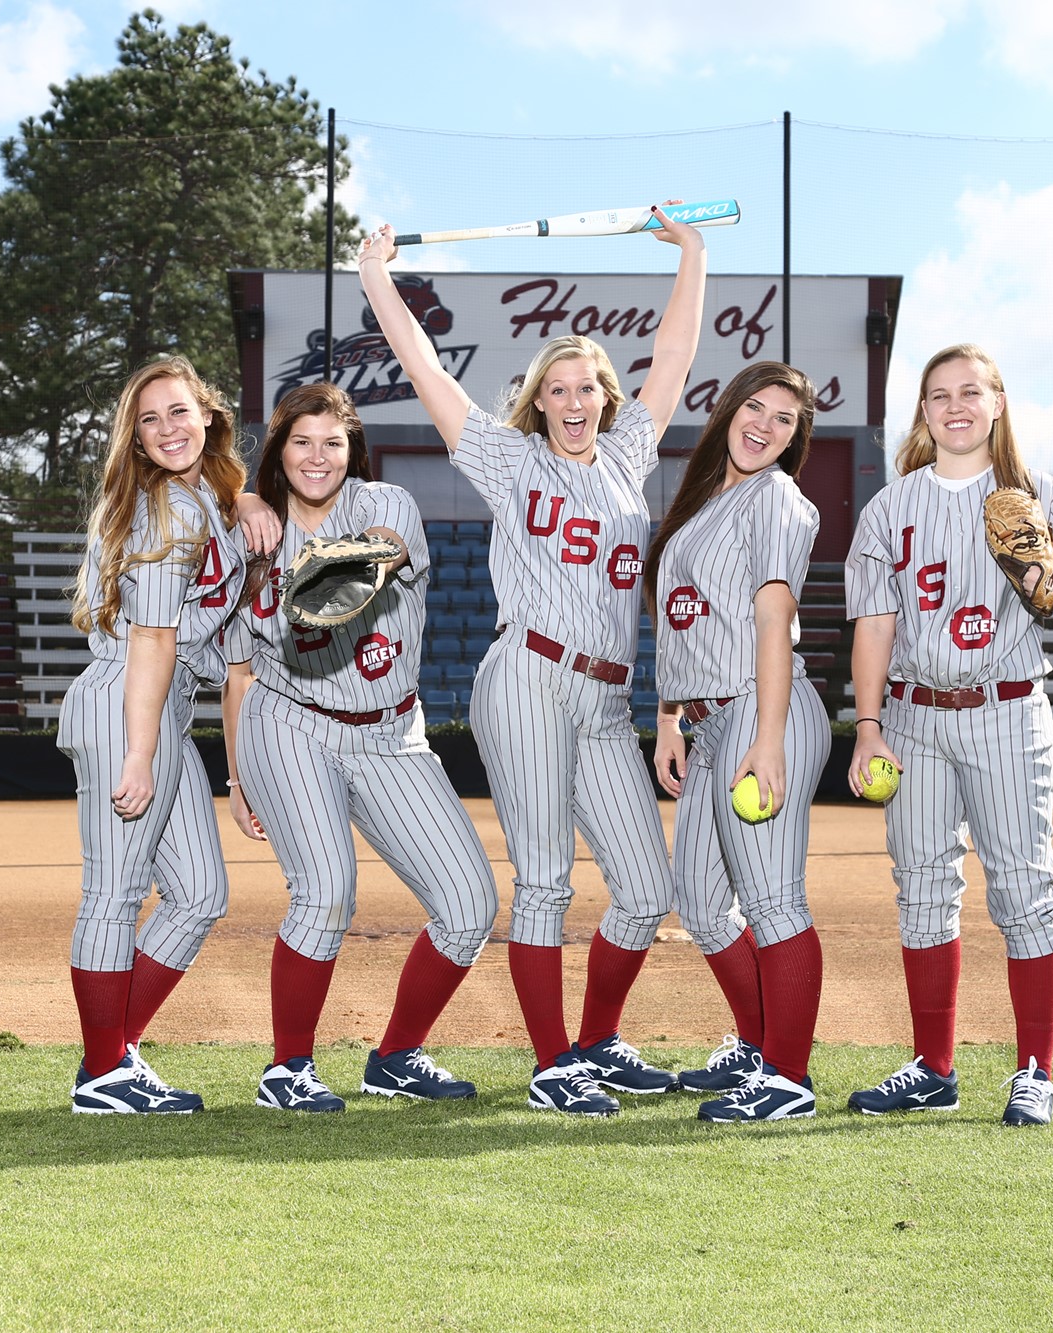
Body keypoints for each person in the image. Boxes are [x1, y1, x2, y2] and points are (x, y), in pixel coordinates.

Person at [355, 205, 707, 1116]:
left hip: (605, 698)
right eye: (558, 389)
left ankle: (596, 1042)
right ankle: (555, 1065)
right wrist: (376, 277)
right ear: (539, 400)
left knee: (647, 886)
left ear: (605, 396)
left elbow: (673, 356)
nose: (575, 401)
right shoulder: (509, 460)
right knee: (545, 877)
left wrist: (692, 254)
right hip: (528, 678)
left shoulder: (628, 456)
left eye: (587, 386)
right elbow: (427, 369)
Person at [843, 342, 1053, 1127]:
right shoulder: (889, 507)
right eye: (939, 395)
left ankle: (1035, 1070)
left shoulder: (1037, 492)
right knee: (923, 889)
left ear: (997, 403)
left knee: (1023, 890)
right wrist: (867, 727)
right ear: (923, 412)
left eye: (970, 391)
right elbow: (873, 626)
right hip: (913, 716)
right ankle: (933, 1067)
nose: (955, 406)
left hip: (1005, 709)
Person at [222, 382, 500, 1113]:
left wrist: (332, 569)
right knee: (325, 890)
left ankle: (397, 1056)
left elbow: (390, 544)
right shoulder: (248, 536)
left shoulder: (385, 502)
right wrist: (238, 778)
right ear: (279, 450)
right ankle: (288, 1067)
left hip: (389, 732)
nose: (317, 457)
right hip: (290, 723)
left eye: (333, 443)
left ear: (353, 452)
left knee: (469, 904)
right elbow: (239, 674)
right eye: (302, 442)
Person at [59, 355, 281, 1114]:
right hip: (125, 702)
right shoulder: (166, 508)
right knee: (115, 892)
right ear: (136, 438)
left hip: (164, 707)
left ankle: (112, 1056)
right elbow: (153, 638)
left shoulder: (208, 503)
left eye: (178, 411)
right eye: (148, 419)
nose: (166, 429)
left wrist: (239, 779)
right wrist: (139, 752)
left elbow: (237, 669)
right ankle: (103, 1074)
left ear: (208, 415)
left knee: (200, 894)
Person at [647, 361, 828, 1123]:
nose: (765, 425)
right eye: (756, 407)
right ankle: (759, 1047)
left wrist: (769, 737)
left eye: (785, 419)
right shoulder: (702, 501)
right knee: (698, 899)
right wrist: (669, 718)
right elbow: (678, 619)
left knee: (773, 900)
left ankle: (788, 1077)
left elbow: (772, 619)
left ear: (795, 438)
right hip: (712, 718)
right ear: (728, 410)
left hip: (762, 711)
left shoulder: (776, 497)